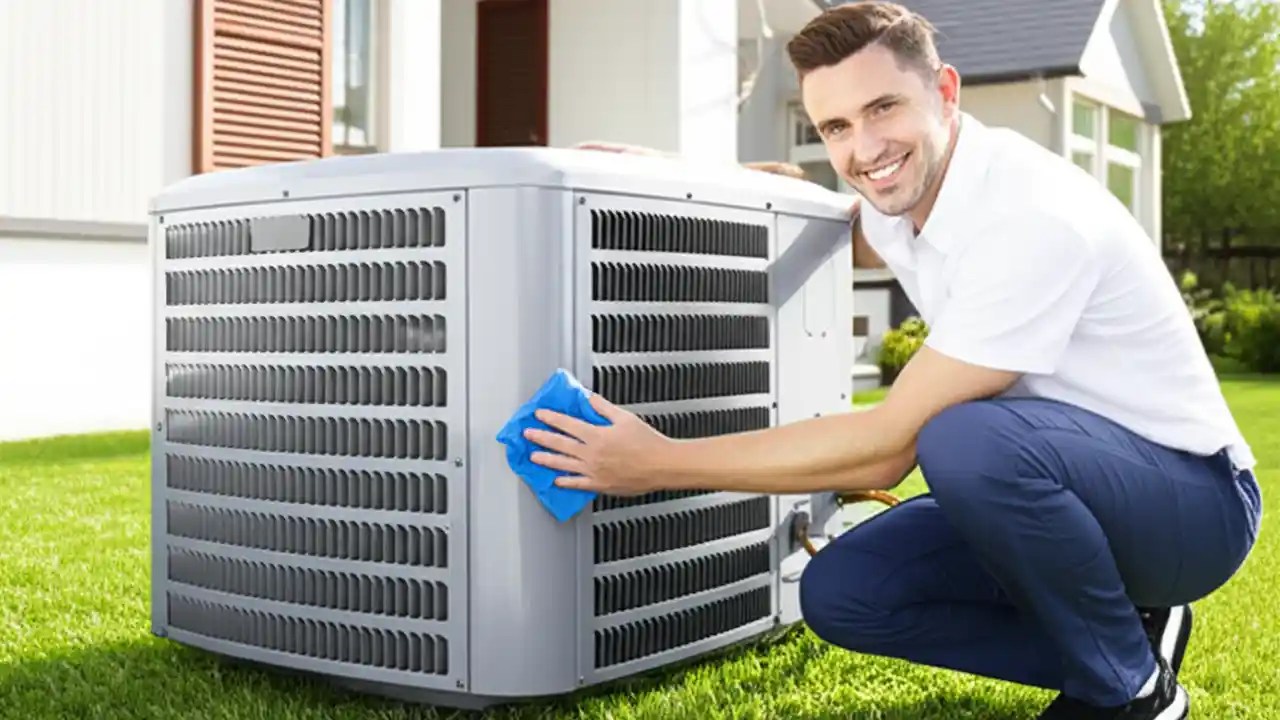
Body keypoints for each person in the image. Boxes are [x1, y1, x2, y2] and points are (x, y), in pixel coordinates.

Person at [525, 3, 1262, 718]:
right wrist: (666, 173)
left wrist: (654, 463)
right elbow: (810, 203)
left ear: (945, 91)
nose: (864, 149)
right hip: (1073, 488)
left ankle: (1130, 691)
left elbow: (885, 452)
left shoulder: (1029, 218)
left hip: (1192, 509)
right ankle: (1127, 638)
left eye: (884, 108)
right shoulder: (908, 194)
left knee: (962, 439)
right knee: (847, 592)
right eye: (836, 126)